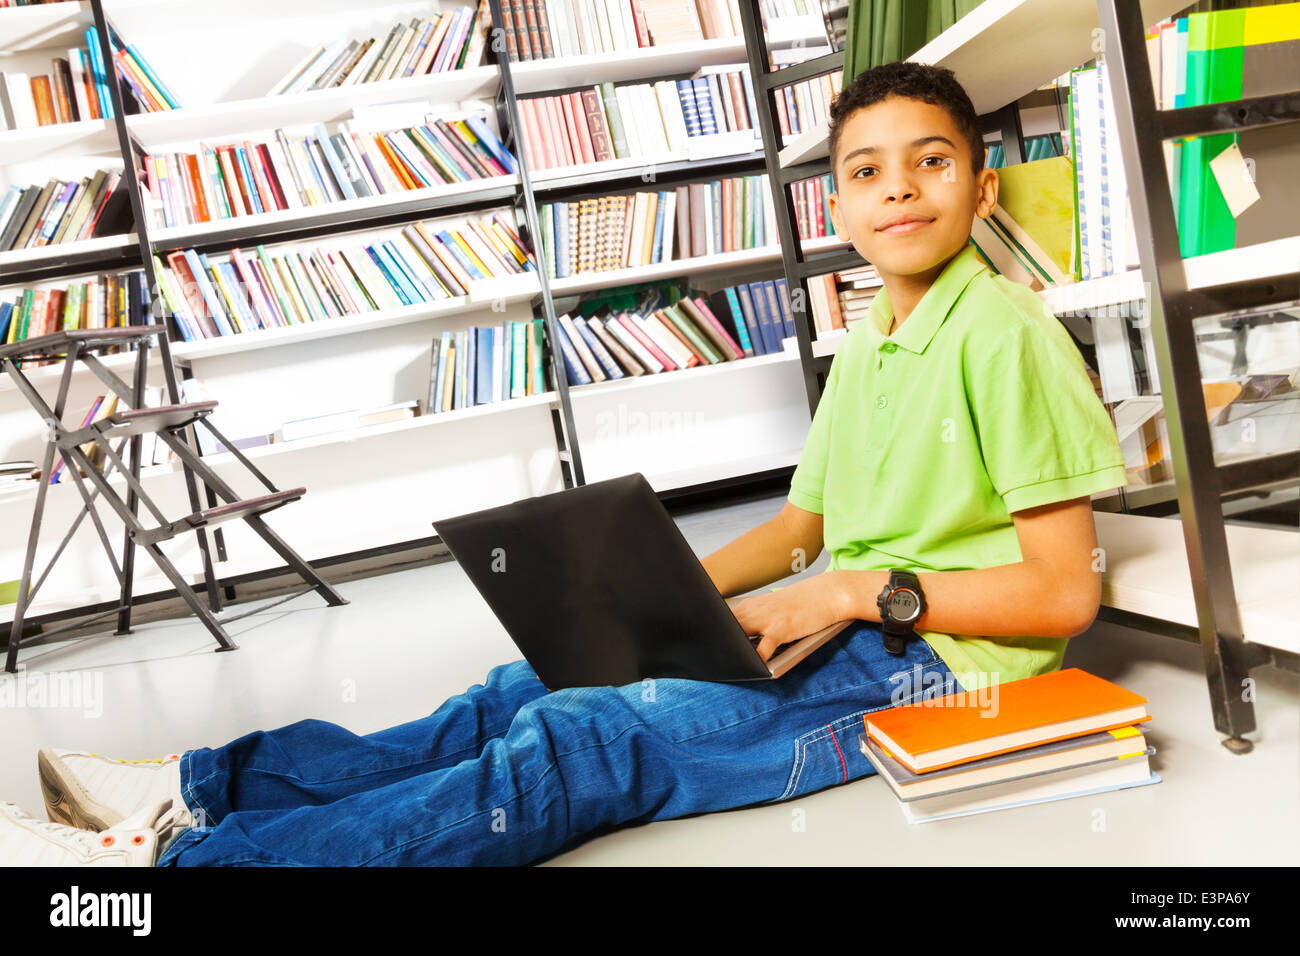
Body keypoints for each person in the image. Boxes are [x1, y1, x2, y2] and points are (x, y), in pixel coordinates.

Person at [0, 60, 1127, 866]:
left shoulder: (1004, 332)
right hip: (845, 630)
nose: (897, 188)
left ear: (981, 189)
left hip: (932, 675)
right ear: (834, 201)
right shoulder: (872, 337)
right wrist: (652, 602)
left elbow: (1065, 591)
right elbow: (798, 528)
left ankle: (180, 866)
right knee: (529, 683)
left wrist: (845, 589)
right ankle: (198, 787)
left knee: (583, 738)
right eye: (865, 170)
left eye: (930, 163)